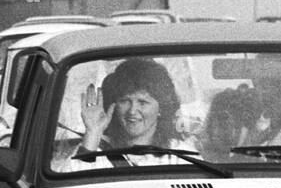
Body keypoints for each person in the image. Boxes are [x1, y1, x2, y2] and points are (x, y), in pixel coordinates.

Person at [54, 57, 197, 171]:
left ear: (161, 108)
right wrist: (93, 132)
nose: (132, 111)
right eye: (125, 101)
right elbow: (68, 187)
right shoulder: (96, 150)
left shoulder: (181, 155)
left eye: (142, 102)